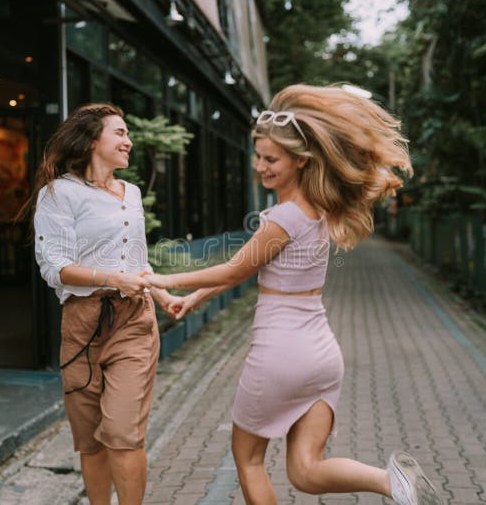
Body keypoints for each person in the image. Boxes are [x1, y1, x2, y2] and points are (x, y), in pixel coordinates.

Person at [144, 84, 445, 504]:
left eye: (271, 159)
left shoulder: (284, 217)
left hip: (280, 355)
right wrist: (196, 298)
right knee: (306, 469)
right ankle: (391, 481)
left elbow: (235, 267)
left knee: (248, 460)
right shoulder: (316, 211)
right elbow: (254, 274)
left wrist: (161, 280)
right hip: (321, 356)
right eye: (259, 156)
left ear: (300, 161)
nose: (261, 167)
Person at [19, 103, 183, 505]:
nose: (128, 141)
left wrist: (161, 295)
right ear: (93, 141)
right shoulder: (59, 194)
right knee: (91, 441)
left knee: (123, 434)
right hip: (82, 323)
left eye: (128, 134)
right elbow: (53, 267)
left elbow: (135, 260)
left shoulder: (132, 194)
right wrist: (111, 278)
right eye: (120, 133)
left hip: (133, 320)